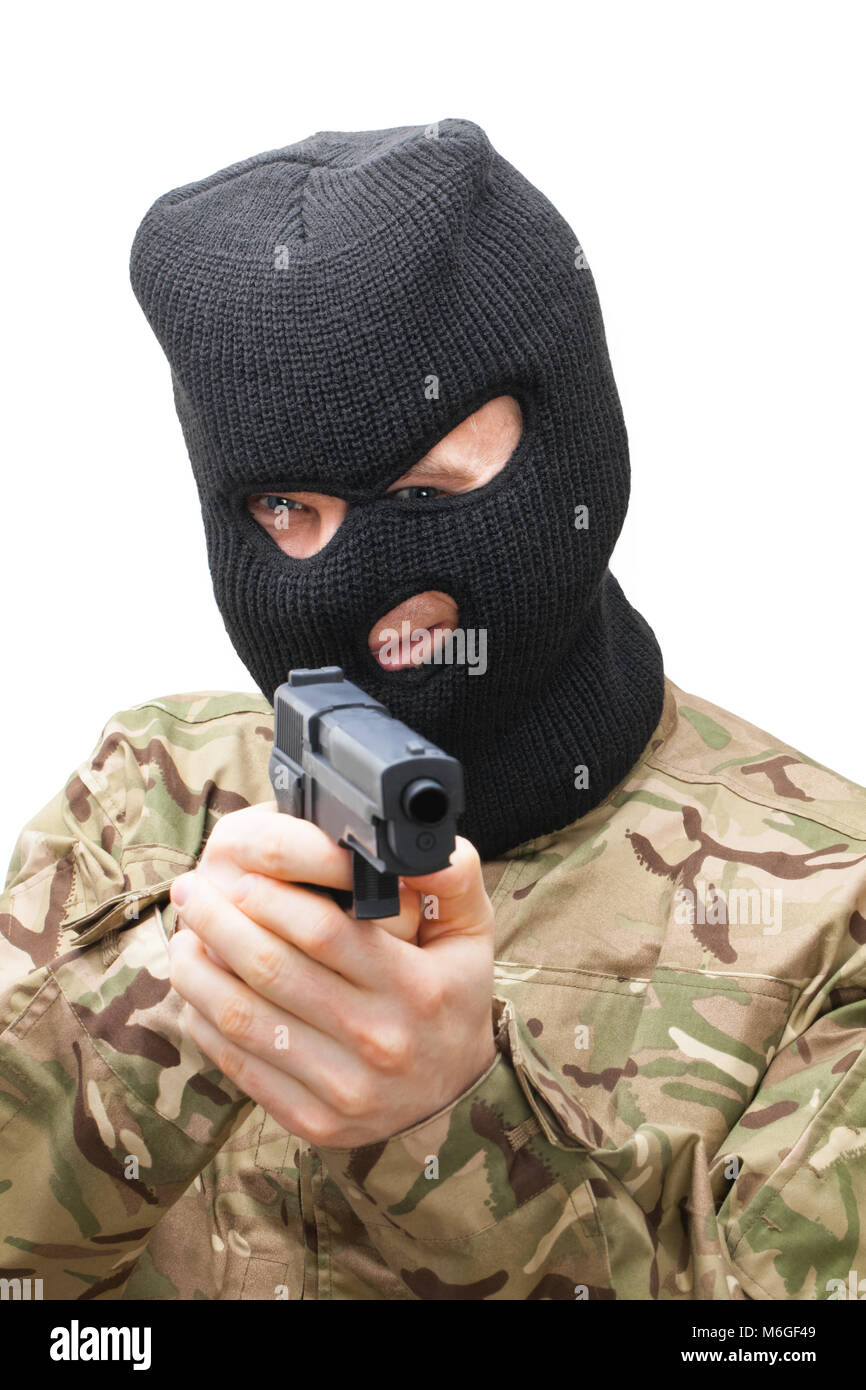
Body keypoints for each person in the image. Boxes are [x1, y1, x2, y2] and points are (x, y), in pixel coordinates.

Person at [1, 118, 863, 1302]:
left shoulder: (827, 906)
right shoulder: (145, 797)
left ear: (570, 454)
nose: (351, 586)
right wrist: (184, 1000)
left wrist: (450, 1132)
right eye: (283, 509)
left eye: (420, 490)